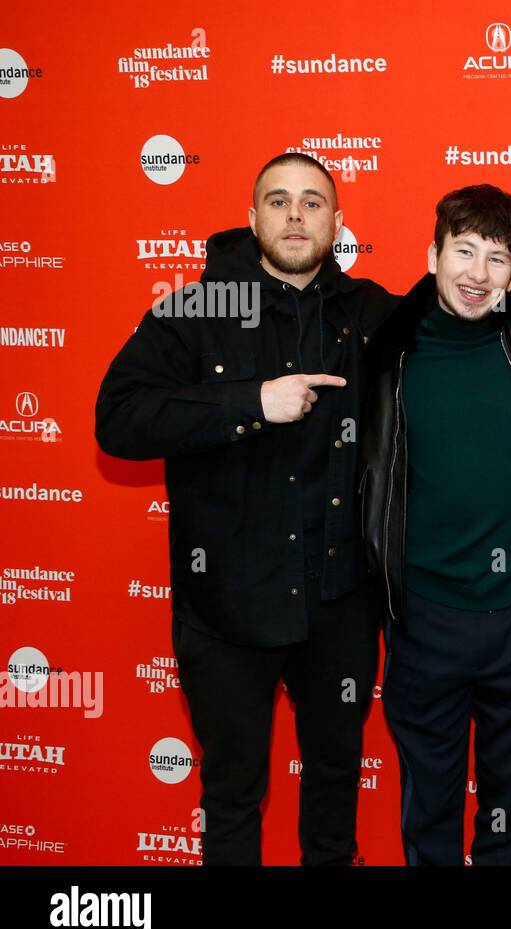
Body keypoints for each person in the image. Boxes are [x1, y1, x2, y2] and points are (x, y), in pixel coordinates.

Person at [95, 153, 397, 865]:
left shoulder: (370, 312)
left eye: (313, 202)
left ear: (338, 222)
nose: (296, 215)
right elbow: (118, 420)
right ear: (254, 215)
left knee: (334, 786)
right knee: (232, 795)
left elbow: (460, 319)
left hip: (338, 603)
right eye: (279, 201)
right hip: (227, 608)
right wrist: (248, 404)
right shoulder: (194, 310)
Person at [358, 184, 511, 865]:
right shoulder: (387, 354)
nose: (477, 273)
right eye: (464, 251)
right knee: (430, 807)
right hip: (425, 623)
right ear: (433, 255)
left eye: (497, 259)